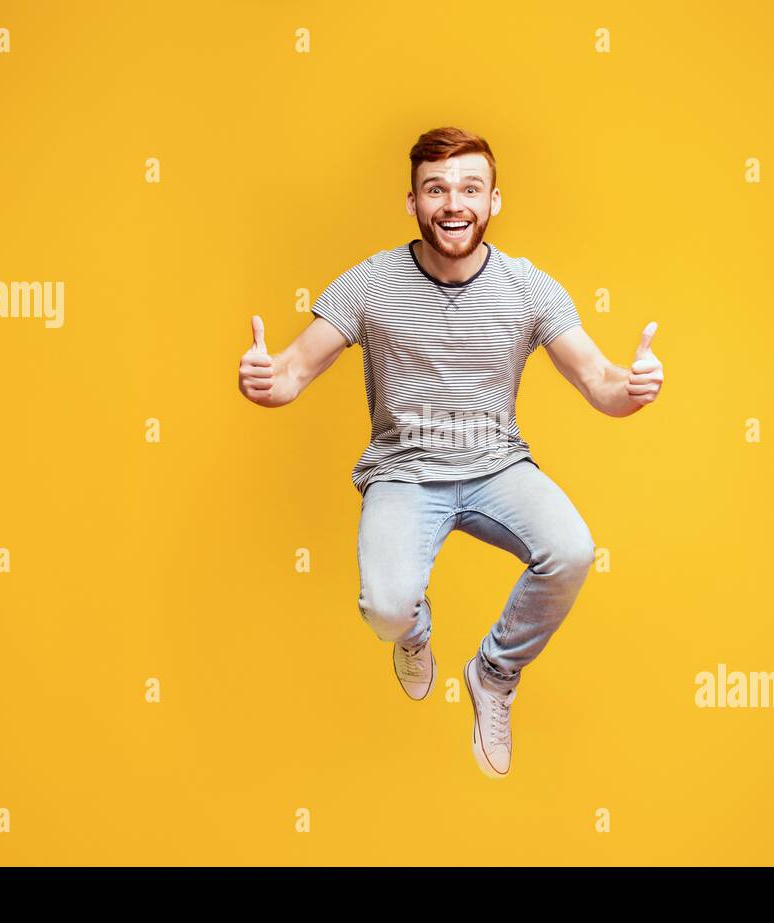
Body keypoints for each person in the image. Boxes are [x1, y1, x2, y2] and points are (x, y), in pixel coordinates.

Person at [239, 127, 663, 777]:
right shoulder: (370, 283)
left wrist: (632, 389)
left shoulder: (529, 288)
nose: (453, 203)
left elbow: (597, 381)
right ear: (412, 202)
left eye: (470, 188)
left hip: (497, 466)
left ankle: (494, 674)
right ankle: (412, 636)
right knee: (386, 607)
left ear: (495, 200)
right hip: (403, 473)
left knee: (573, 549)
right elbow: (293, 370)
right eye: (436, 189)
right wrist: (267, 383)